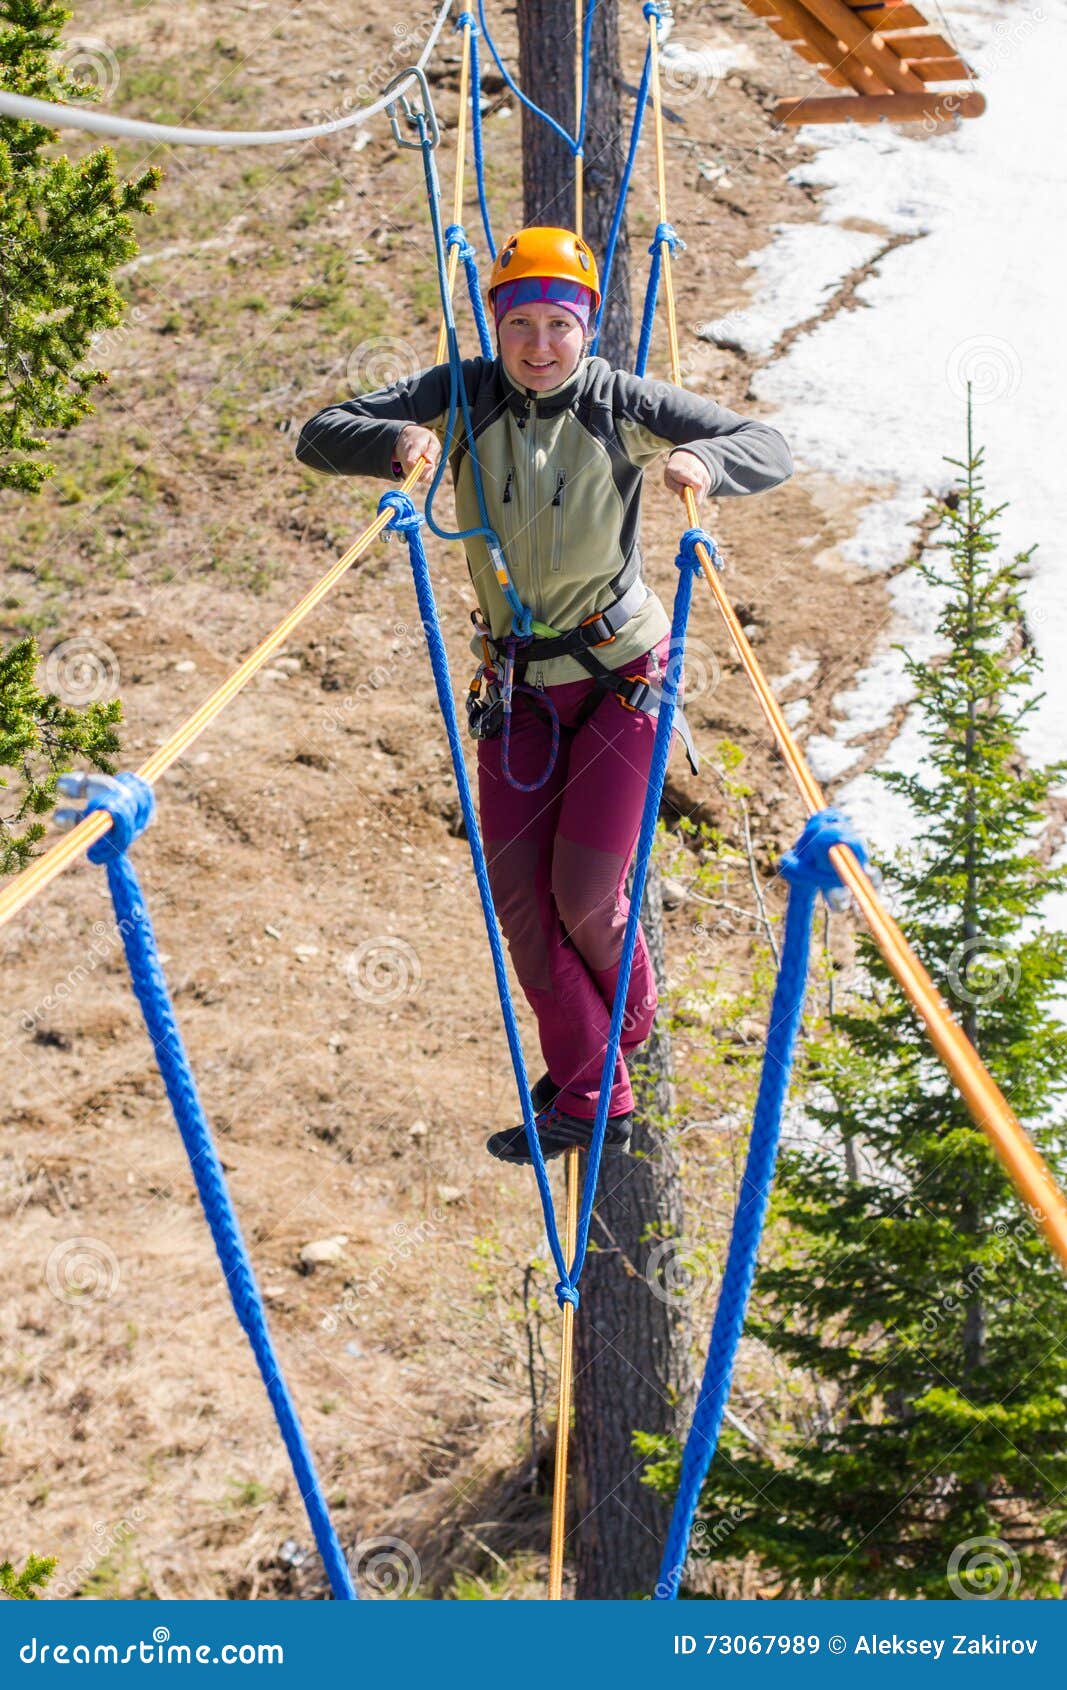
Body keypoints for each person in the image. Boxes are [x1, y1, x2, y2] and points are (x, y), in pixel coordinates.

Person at [296, 227, 792, 1166]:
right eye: (518, 323)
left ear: (586, 328)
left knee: (585, 894)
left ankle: (610, 1053)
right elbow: (319, 435)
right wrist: (397, 437)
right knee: (520, 903)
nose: (537, 345)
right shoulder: (465, 392)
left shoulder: (616, 402)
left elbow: (766, 444)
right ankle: (592, 1079)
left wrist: (704, 467)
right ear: (495, 325)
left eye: (557, 326)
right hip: (518, 686)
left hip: (623, 677)